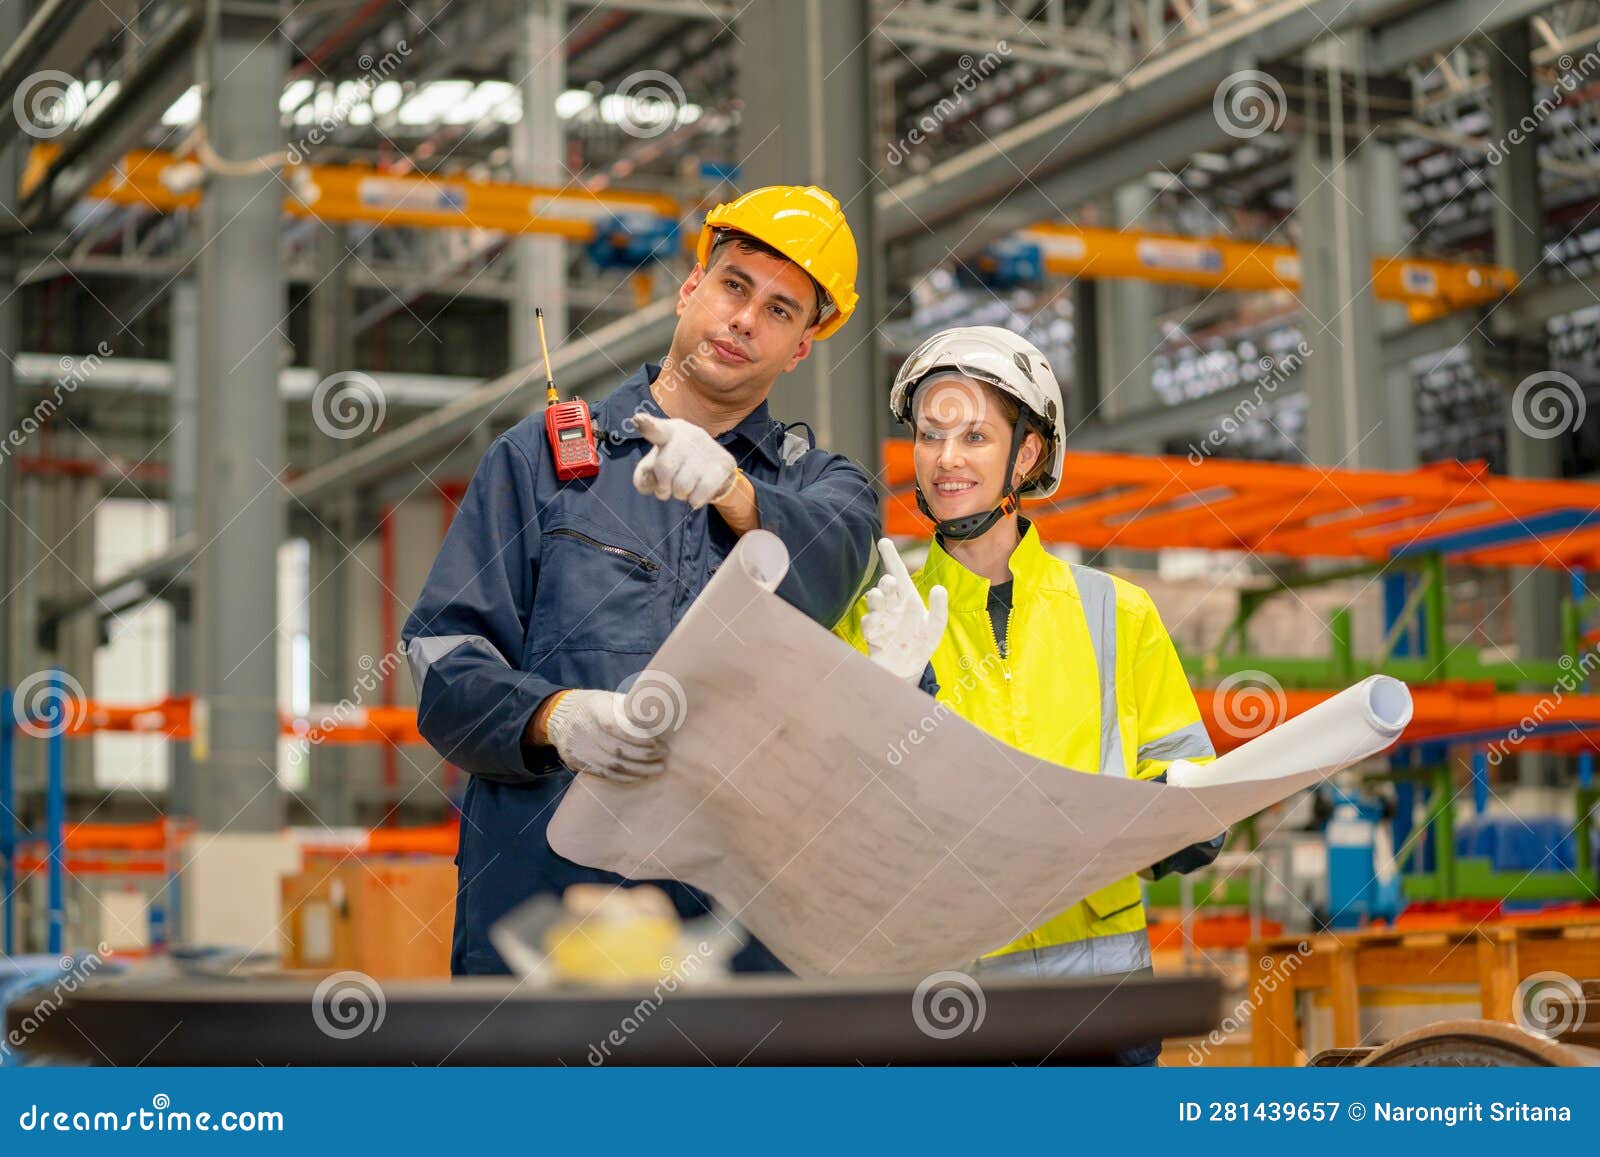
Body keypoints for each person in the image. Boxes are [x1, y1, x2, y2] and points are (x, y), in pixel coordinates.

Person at [403, 185, 885, 976]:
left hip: (740, 932)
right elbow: (444, 662)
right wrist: (554, 717)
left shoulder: (825, 492)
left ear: (801, 347)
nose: (744, 321)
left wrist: (734, 489)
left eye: (780, 310)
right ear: (690, 288)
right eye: (735, 286)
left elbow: (834, 564)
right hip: (545, 919)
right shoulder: (542, 463)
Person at [836, 325, 1225, 1064]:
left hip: (1103, 1002)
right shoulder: (878, 621)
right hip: (949, 1005)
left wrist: (1186, 815)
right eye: (930, 434)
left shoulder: (1119, 612)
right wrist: (888, 696)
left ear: (1029, 452)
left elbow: (1187, 777)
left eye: (975, 435)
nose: (946, 458)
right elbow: (846, 823)